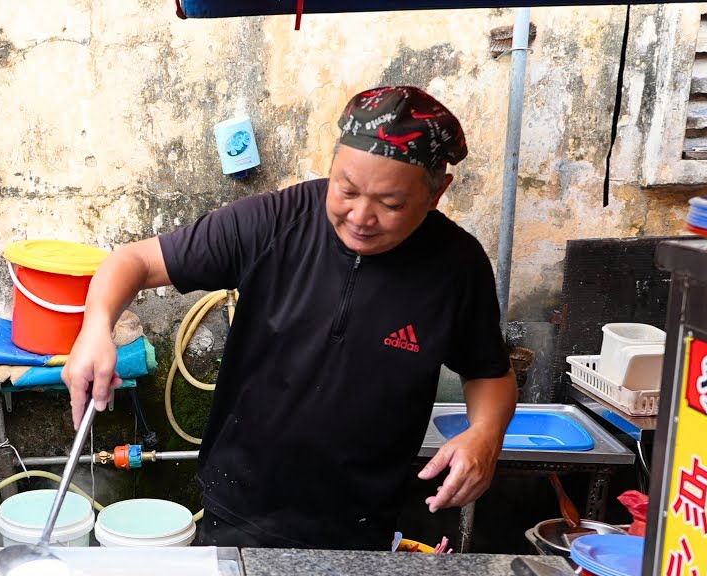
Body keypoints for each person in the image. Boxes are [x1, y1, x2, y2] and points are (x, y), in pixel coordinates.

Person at [62, 86, 518, 550]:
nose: (361, 215)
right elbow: (132, 262)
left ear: (437, 191)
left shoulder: (457, 267)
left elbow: (489, 373)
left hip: (362, 524)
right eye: (347, 189)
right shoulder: (276, 221)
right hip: (238, 507)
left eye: (391, 204)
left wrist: (486, 434)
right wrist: (95, 329)